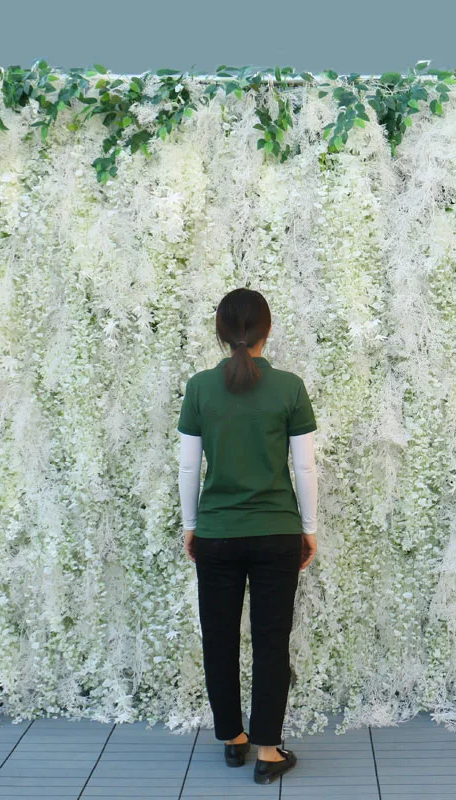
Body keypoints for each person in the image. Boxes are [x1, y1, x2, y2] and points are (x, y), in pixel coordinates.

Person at [177, 287, 318, 785]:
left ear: (220, 332)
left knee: (218, 637)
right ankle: (267, 750)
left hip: (216, 534)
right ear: (268, 330)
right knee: (270, 641)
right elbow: (305, 467)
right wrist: (309, 530)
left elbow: (188, 466)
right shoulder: (289, 387)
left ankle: (232, 739)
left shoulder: (199, 388)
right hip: (277, 532)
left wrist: (192, 526)